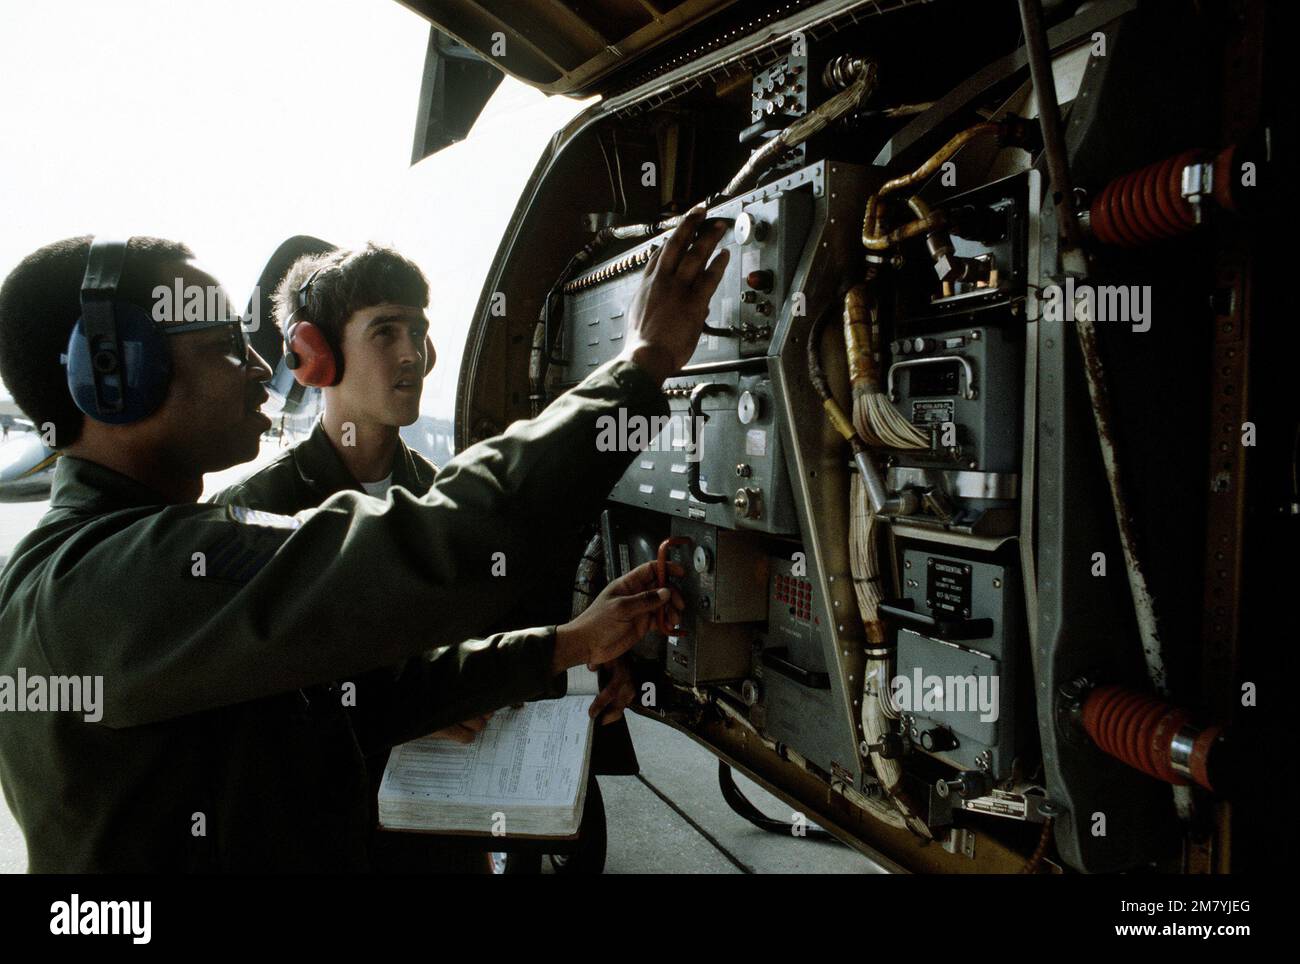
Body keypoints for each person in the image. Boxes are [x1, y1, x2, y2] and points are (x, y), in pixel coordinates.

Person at [0, 208, 729, 871]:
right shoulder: (102, 582)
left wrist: (572, 643)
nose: (261, 369)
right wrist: (642, 363)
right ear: (116, 373)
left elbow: (354, 697)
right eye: (226, 346)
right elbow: (431, 543)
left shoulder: (119, 558)